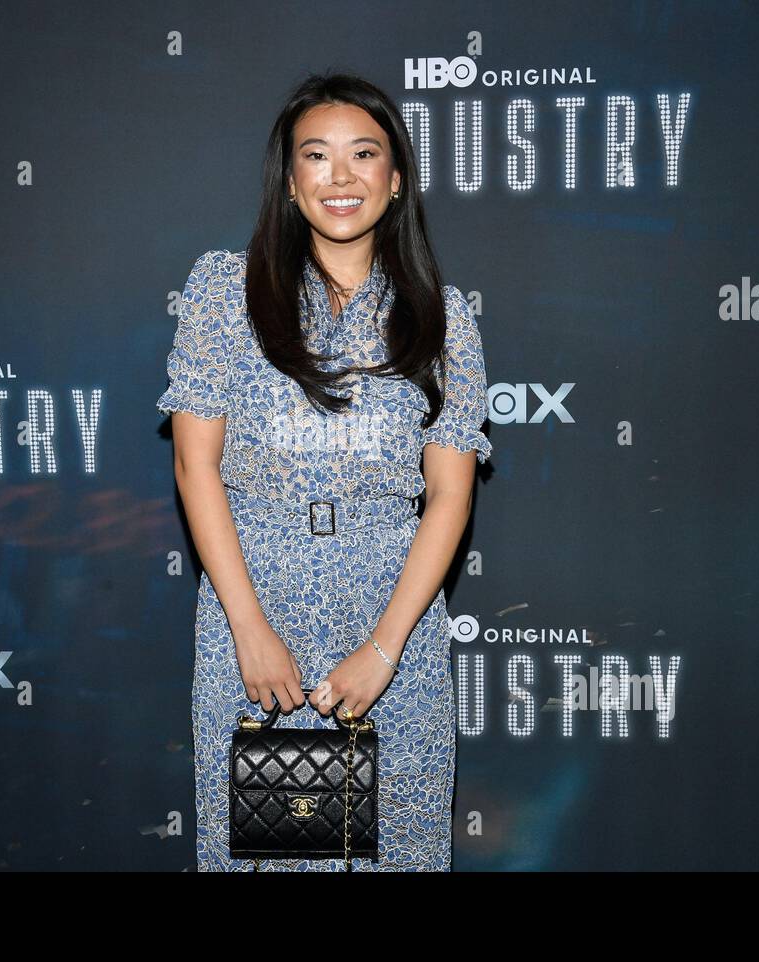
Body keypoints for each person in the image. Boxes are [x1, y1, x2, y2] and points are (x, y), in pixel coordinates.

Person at [155, 73, 492, 871]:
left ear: (396, 178)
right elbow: (195, 466)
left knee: (392, 854)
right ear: (291, 178)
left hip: (393, 618)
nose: (340, 178)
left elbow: (448, 494)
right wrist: (250, 629)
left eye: (363, 155)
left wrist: (383, 651)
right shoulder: (224, 292)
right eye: (317, 156)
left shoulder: (443, 316)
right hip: (253, 613)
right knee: (265, 854)